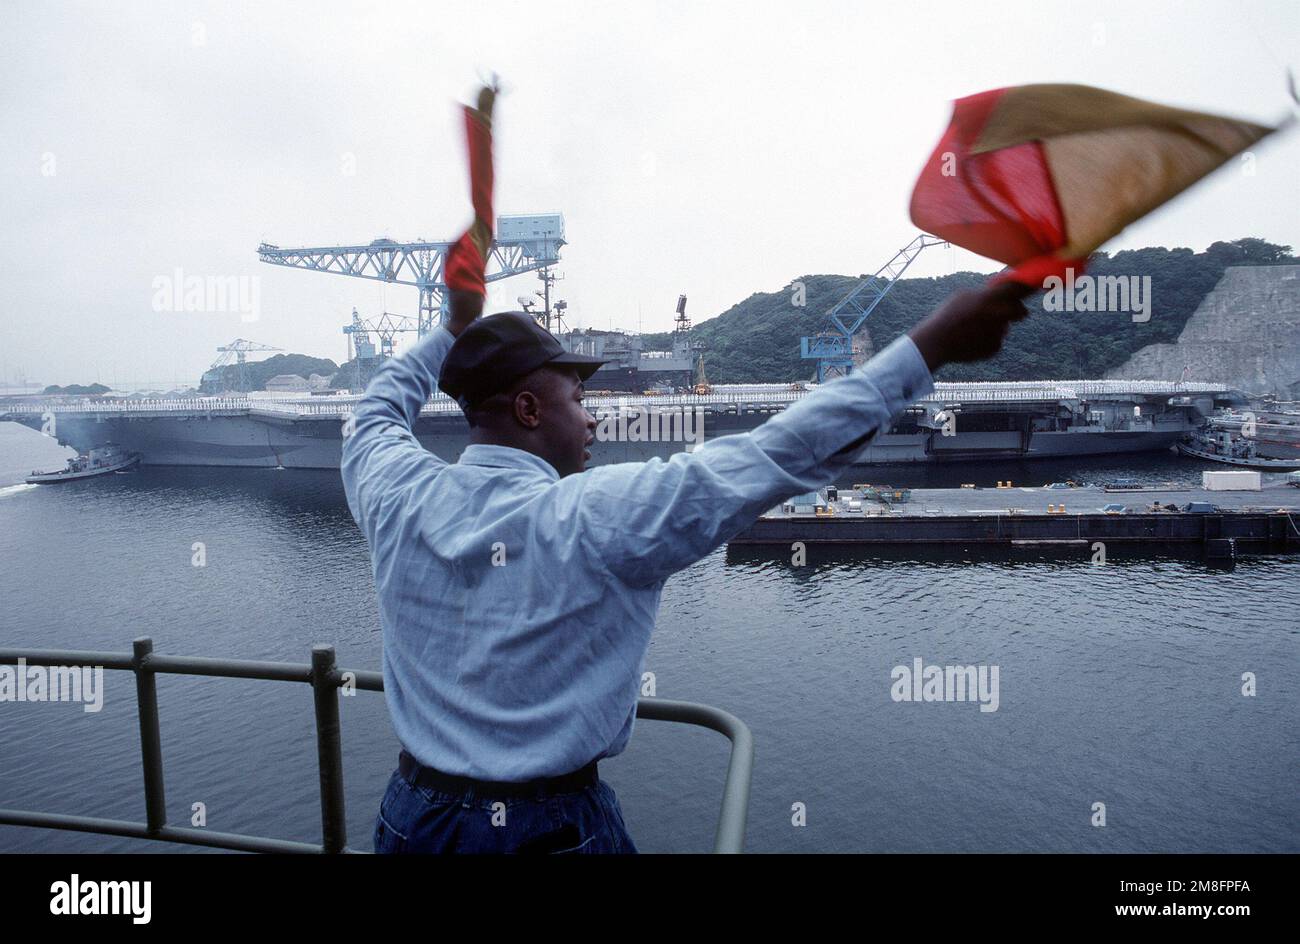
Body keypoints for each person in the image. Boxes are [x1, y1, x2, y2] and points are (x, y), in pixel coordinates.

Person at [341, 269, 1032, 853]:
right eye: (577, 399)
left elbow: (373, 414)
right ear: (527, 407)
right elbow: (775, 455)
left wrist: (449, 328)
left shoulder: (397, 493)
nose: (592, 419)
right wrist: (931, 345)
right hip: (545, 830)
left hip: (412, 816)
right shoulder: (599, 516)